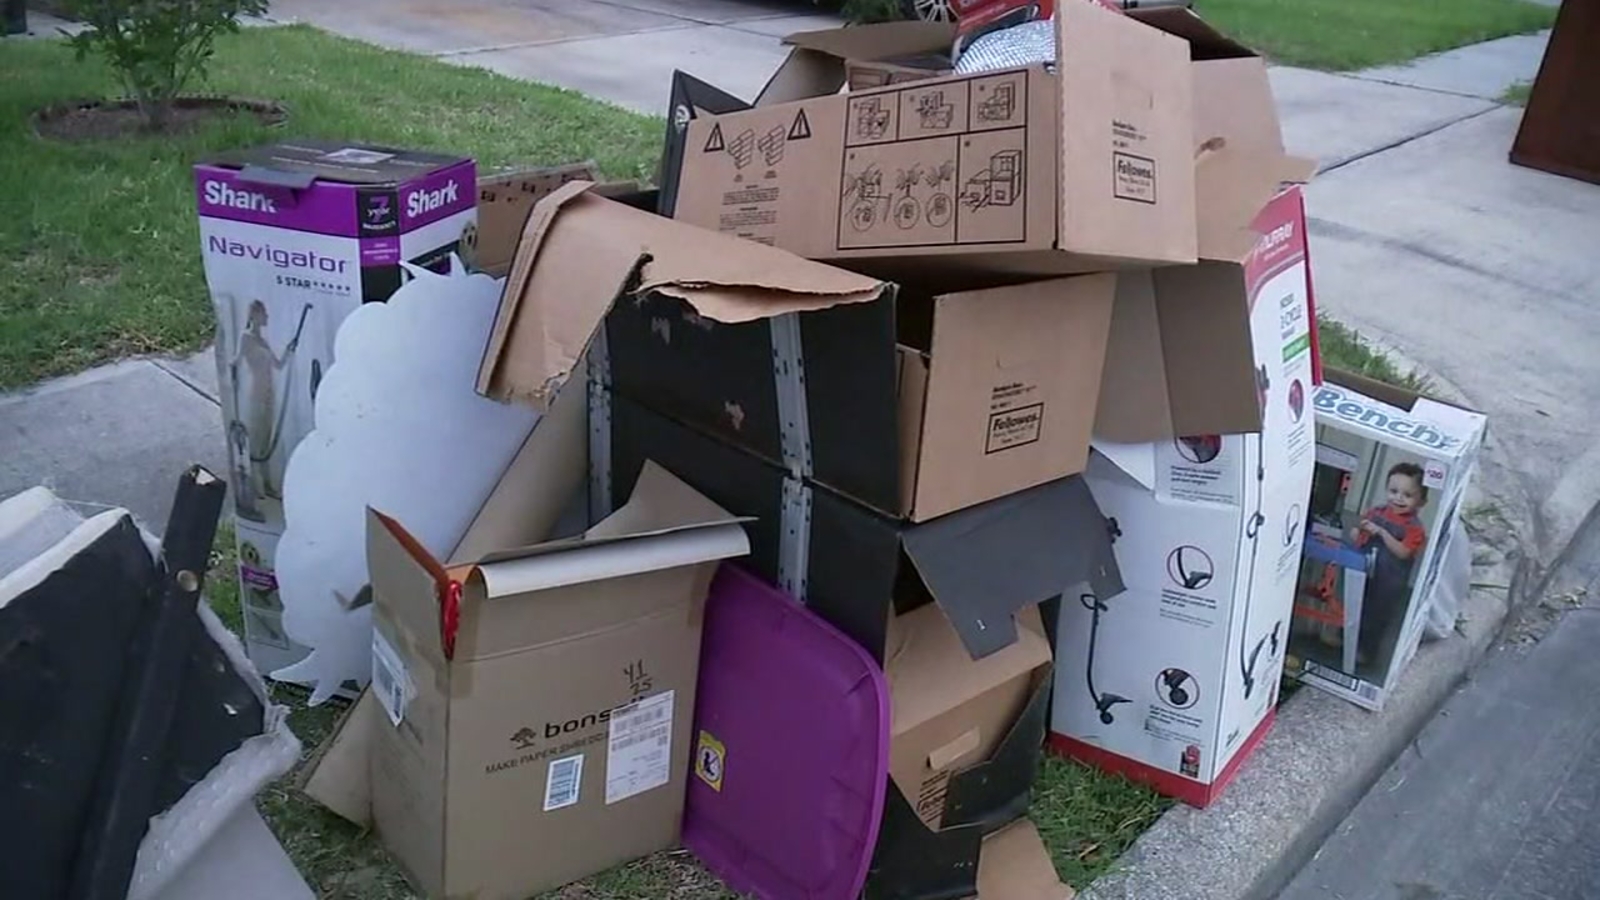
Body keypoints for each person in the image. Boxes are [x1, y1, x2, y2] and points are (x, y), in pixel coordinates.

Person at [1350, 462, 1429, 665]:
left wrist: (1383, 533)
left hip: (1390, 580)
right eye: (1393, 491)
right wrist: (1359, 532)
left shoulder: (1415, 528)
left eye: (1408, 495)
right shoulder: (1376, 511)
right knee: (1355, 604)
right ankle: (1345, 640)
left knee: (1377, 616)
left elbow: (1403, 552)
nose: (1398, 498)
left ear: (1421, 501)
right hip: (1366, 568)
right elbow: (1357, 533)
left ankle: (1367, 652)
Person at [233, 300, 296, 505]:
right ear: (255, 315)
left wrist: (289, 350)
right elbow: (237, 361)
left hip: (270, 396)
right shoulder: (246, 338)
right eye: (264, 314)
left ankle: (268, 485)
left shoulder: (263, 341)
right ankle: (256, 485)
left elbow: (278, 365)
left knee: (267, 442)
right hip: (256, 395)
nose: (267, 317)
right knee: (257, 441)